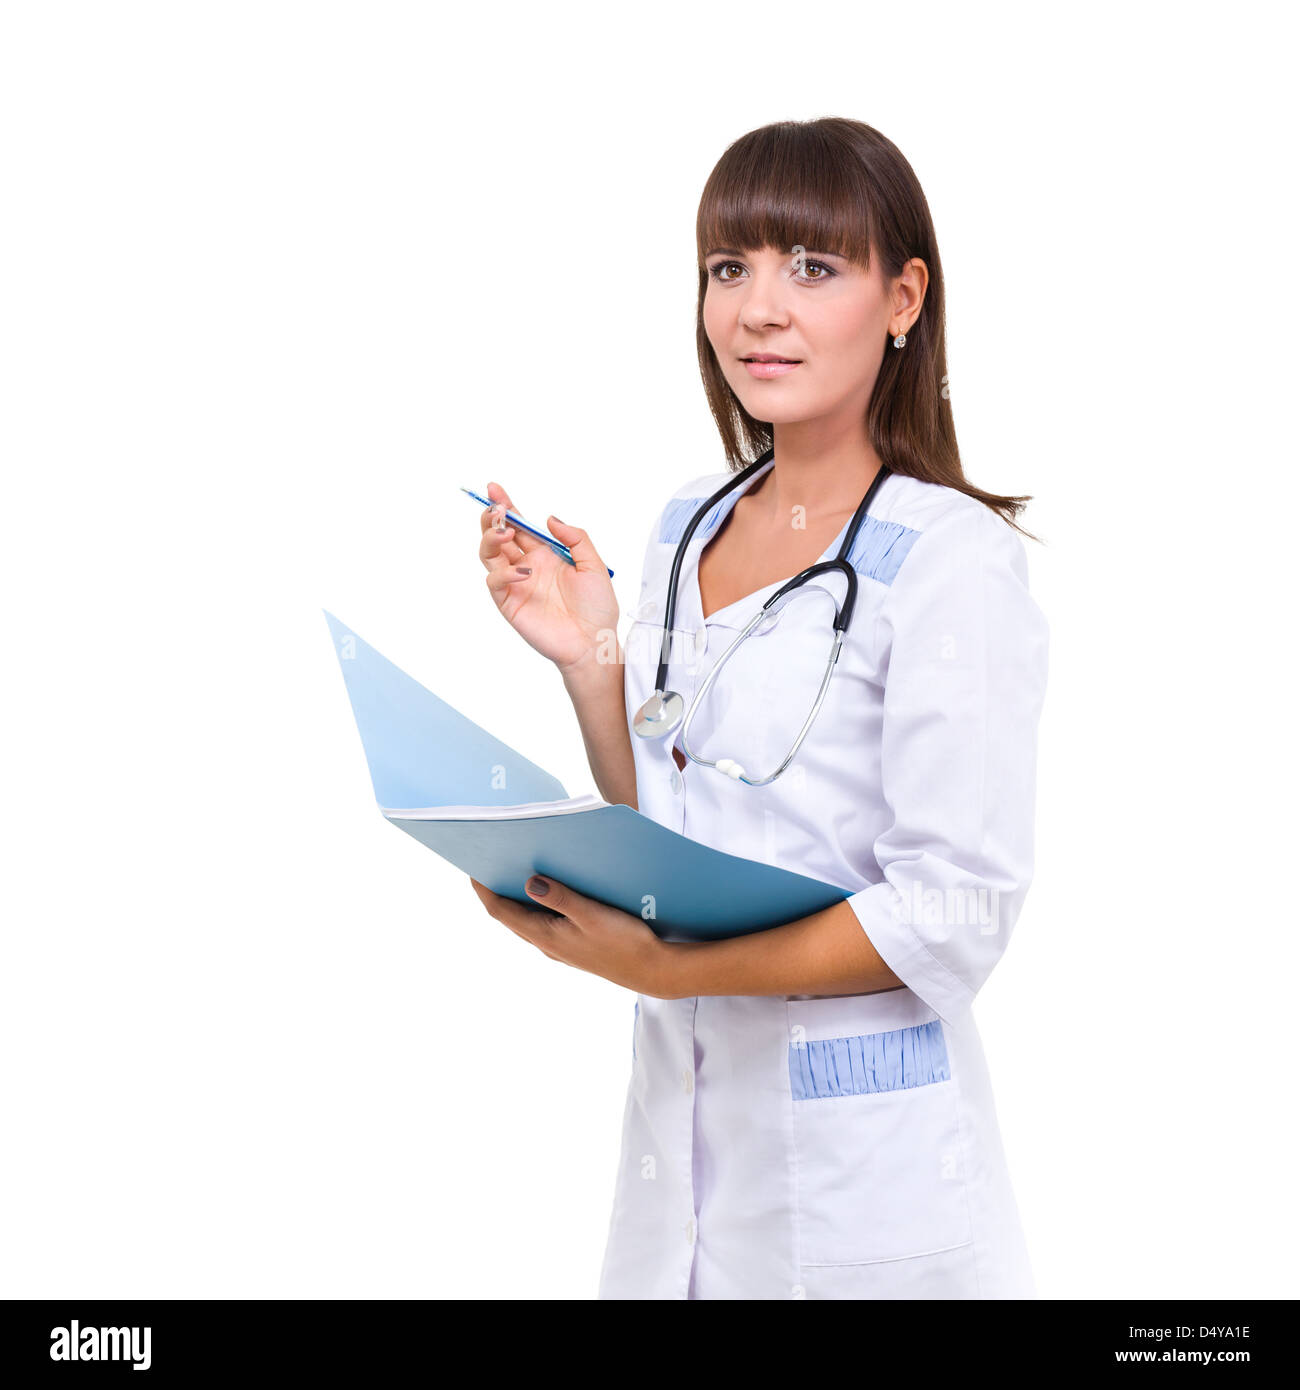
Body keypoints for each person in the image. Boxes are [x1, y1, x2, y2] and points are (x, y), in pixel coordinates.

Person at [470, 116, 1049, 1300]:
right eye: (728, 268)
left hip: (862, 1193)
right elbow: (678, 836)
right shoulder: (686, 522)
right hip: (680, 1170)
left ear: (903, 298)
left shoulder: (950, 562)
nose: (757, 309)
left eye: (812, 267)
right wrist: (591, 666)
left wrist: (669, 972)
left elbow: (951, 914)